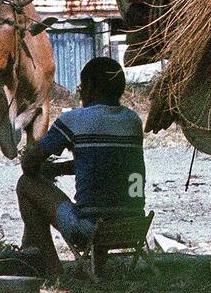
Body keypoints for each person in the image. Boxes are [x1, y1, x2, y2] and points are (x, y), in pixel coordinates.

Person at [16, 56, 146, 280]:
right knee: (103, 197)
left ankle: (53, 269)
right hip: (132, 226)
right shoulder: (132, 120)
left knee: (26, 185)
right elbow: (104, 164)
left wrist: (41, 166)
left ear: (92, 88)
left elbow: (29, 162)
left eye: (82, 87)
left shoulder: (75, 120)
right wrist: (59, 170)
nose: (80, 93)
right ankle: (100, 265)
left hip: (90, 229)